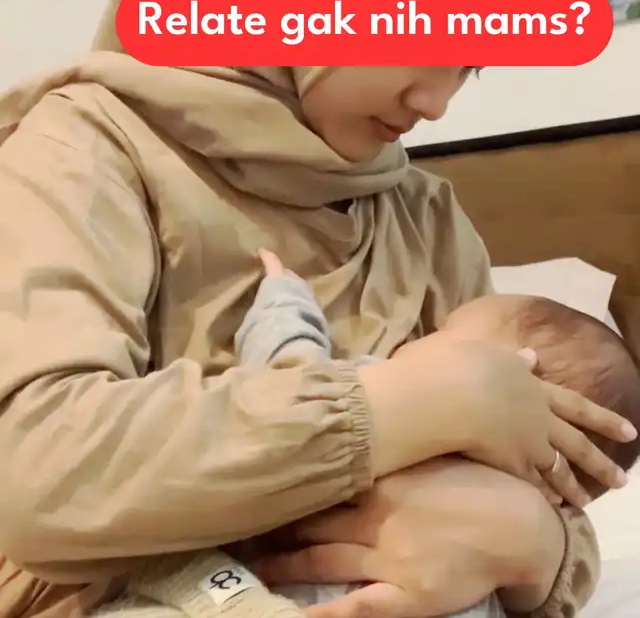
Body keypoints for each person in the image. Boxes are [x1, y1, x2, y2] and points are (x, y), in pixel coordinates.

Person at [0, 0, 635, 618]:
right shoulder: (89, 147)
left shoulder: (424, 218)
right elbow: (36, 474)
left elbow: (549, 466)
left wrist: (531, 544)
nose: (437, 102)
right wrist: (396, 409)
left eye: (471, 62)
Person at [92, 251, 640, 618]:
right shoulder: (531, 486)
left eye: (442, 333)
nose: (413, 342)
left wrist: (283, 302)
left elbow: (290, 372)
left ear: (507, 375)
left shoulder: (392, 389)